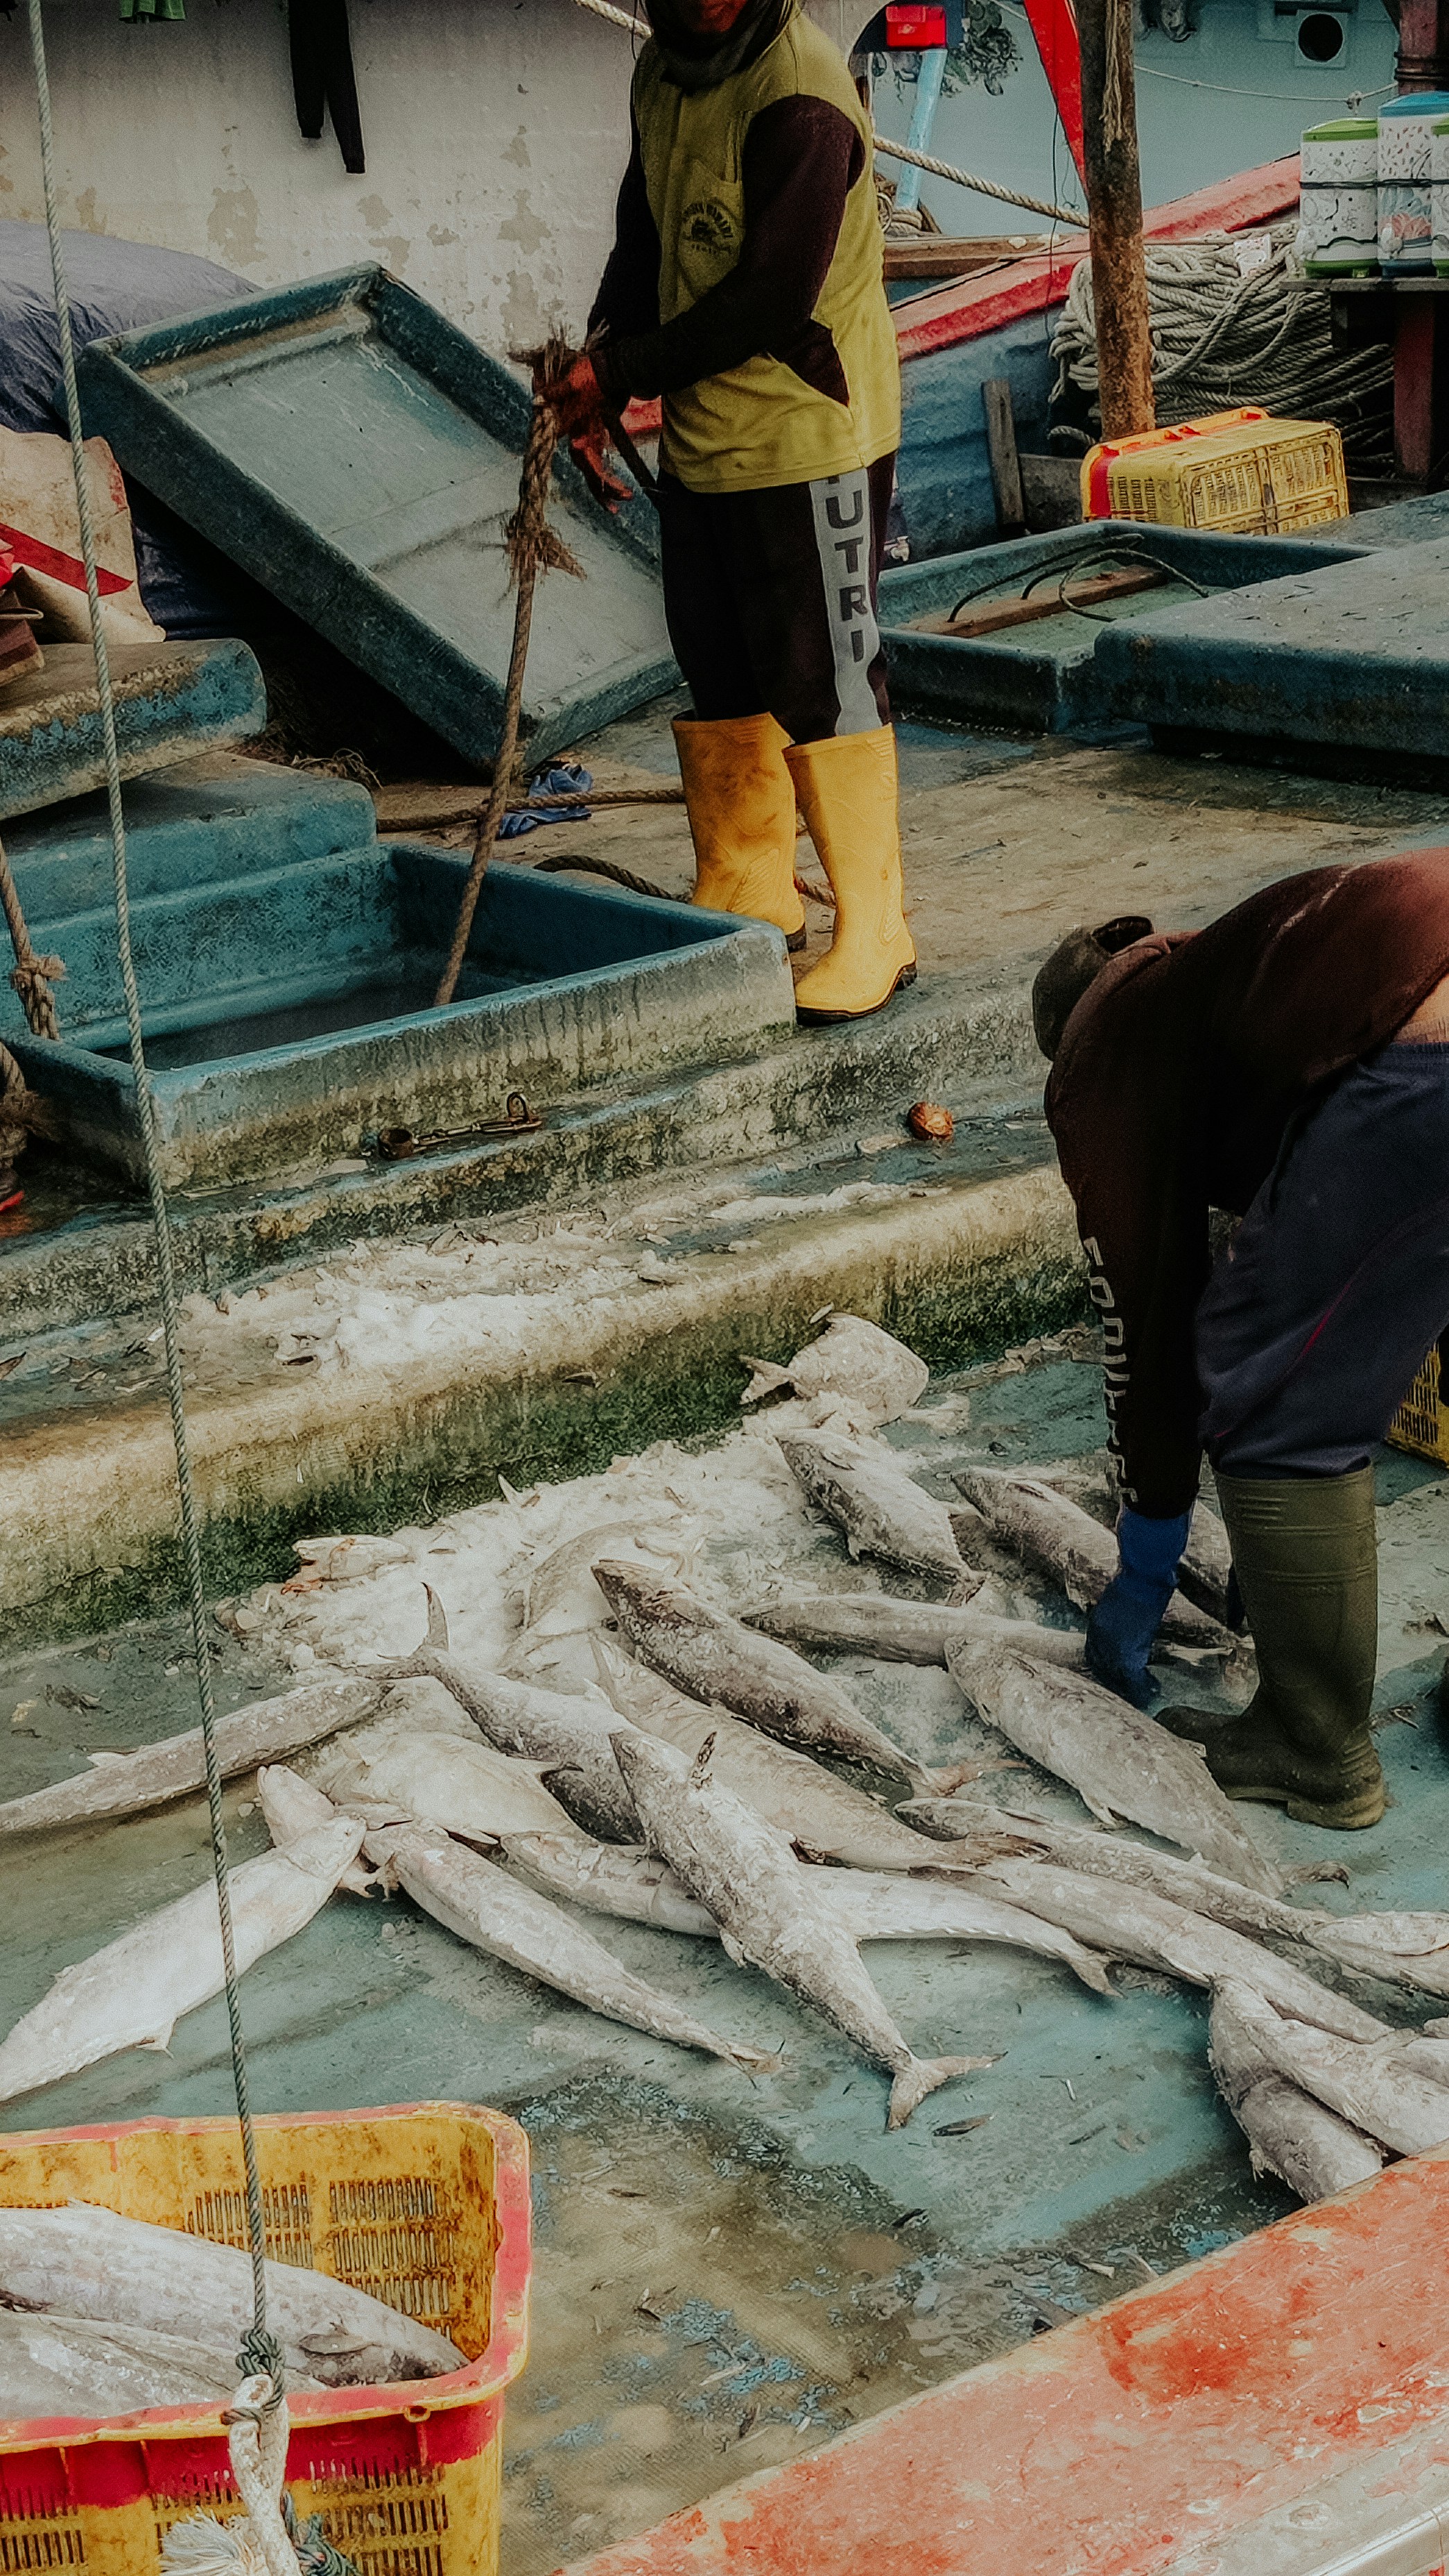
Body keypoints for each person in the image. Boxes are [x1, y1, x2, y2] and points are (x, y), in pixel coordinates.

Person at [1032, 853, 1449, 1832]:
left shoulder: (1108, 1056)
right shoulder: (1241, 971)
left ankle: (1313, 1752)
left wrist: (1145, 1557)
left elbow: (1143, 1307)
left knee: (1270, 1384)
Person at [545, 0, 914, 1021]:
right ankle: (751, 885)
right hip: (707, 435)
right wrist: (602, 372)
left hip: (810, 431)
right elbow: (643, 240)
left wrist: (622, 367)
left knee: (822, 677)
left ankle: (876, 926)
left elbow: (770, 297)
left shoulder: (799, 98)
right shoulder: (659, 72)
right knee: (715, 657)